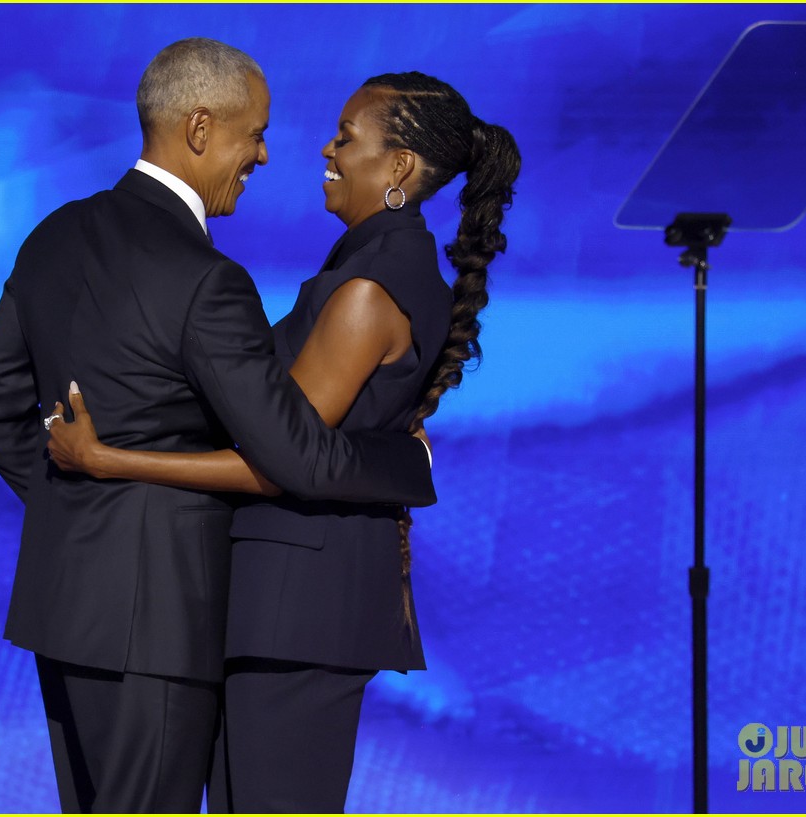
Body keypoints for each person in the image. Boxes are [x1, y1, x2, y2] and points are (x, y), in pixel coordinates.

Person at [0, 40, 437, 814]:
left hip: (62, 605)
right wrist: (405, 465)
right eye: (254, 134)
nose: (264, 153)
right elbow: (295, 454)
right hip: (160, 620)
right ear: (201, 127)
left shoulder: (54, 236)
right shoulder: (208, 282)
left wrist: (80, 505)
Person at [46, 71, 520, 812]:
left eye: (347, 137)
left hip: (300, 616)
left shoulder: (368, 290)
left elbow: (279, 458)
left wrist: (107, 459)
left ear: (398, 167)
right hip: (287, 611)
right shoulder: (364, 270)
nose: (326, 149)